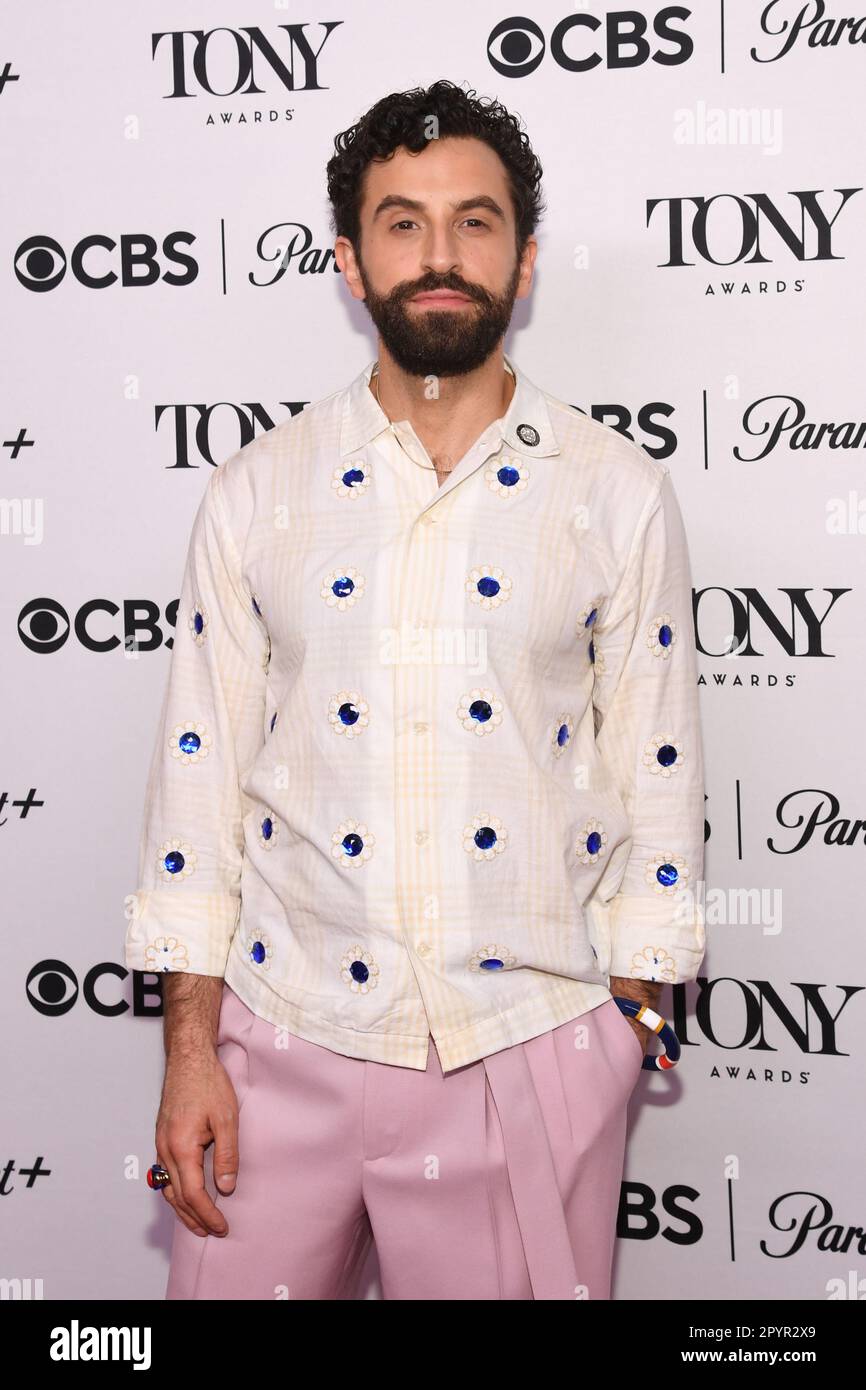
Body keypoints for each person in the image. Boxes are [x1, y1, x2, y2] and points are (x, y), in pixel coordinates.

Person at [125, 79, 706, 1301]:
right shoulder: (256, 491)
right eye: (401, 221)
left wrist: (621, 1030)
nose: (439, 255)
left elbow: (656, 770)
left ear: (524, 256)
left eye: (475, 221)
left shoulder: (612, 490)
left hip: (526, 1044)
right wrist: (190, 1049)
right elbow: (199, 787)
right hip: (279, 1045)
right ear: (348, 258)